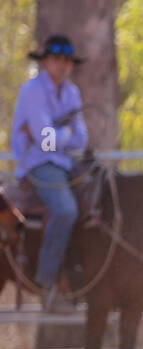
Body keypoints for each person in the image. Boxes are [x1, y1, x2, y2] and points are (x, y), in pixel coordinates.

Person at [10, 34, 88, 307]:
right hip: (37, 164)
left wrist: (56, 134)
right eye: (57, 59)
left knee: (100, 195)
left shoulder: (72, 92)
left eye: (67, 60)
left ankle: (82, 276)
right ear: (45, 61)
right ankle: (46, 280)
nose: (62, 65)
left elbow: (82, 138)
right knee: (65, 209)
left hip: (65, 163)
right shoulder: (31, 91)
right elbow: (46, 142)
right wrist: (65, 132)